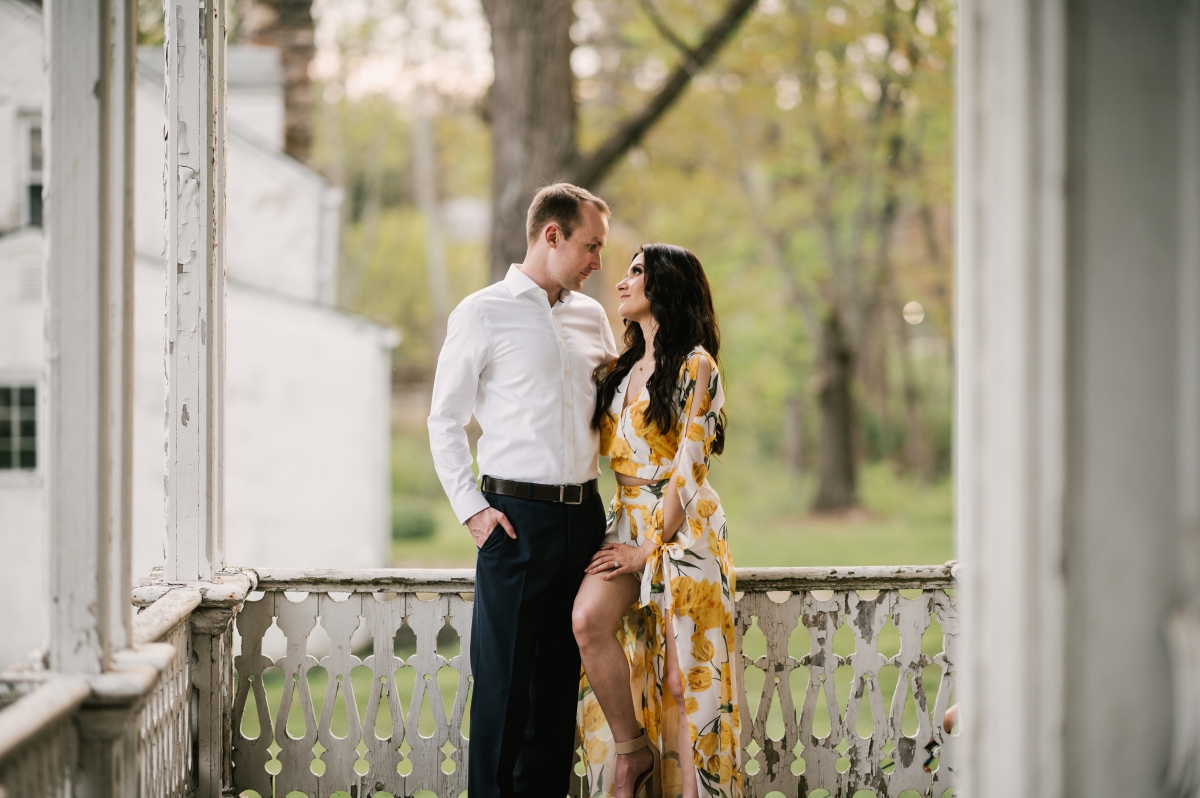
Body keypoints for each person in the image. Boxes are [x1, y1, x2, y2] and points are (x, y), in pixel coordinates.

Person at [427, 183, 618, 798]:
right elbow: (444, 420)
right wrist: (473, 513)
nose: (598, 262)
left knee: (557, 694)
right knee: (505, 694)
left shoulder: (592, 316)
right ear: (552, 235)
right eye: (590, 247)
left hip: (583, 520)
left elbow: (619, 408)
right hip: (512, 521)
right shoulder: (481, 312)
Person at [573, 244, 742, 798]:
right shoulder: (619, 370)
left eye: (638, 271)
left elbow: (691, 468)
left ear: (666, 286)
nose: (623, 281)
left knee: (681, 682)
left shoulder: (697, 364)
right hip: (625, 518)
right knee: (588, 621)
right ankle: (631, 752)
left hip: (684, 530)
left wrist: (650, 549)